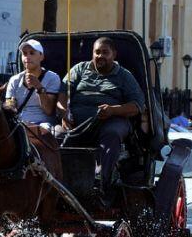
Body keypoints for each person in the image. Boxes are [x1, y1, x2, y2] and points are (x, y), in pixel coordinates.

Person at [58, 37, 145, 204]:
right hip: (77, 124)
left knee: (111, 134)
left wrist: (113, 110)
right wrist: (64, 113)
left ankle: (104, 185)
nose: (100, 56)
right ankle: (59, 184)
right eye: (97, 52)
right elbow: (63, 93)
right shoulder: (79, 69)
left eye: (105, 52)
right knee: (56, 135)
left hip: (111, 121)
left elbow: (137, 105)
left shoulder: (124, 76)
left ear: (114, 54)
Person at [4, 39, 61, 131]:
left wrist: (38, 87)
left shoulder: (53, 78)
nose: (27, 57)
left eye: (32, 53)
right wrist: (11, 105)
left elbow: (49, 110)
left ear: (41, 56)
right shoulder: (14, 80)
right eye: (24, 53)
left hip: (43, 124)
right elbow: (9, 106)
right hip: (19, 124)